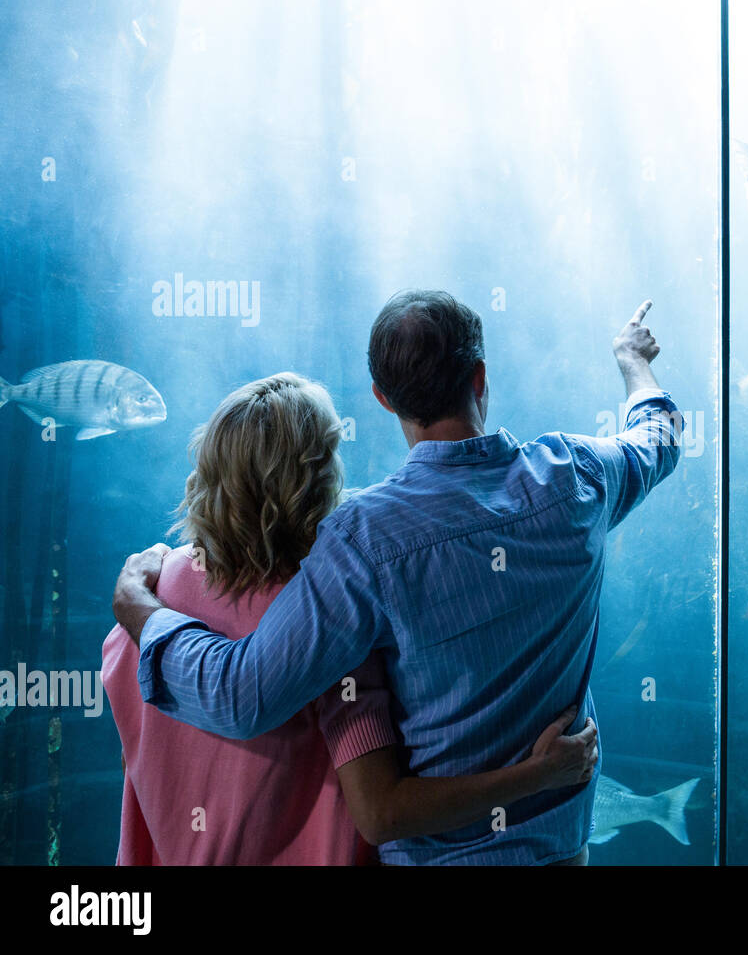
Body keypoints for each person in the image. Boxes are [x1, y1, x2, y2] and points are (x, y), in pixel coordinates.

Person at [112, 293, 681, 865]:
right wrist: (632, 361)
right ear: (480, 376)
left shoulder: (362, 543)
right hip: (564, 854)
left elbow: (240, 695)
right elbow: (661, 436)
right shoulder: (577, 477)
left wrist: (137, 604)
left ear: (383, 399)